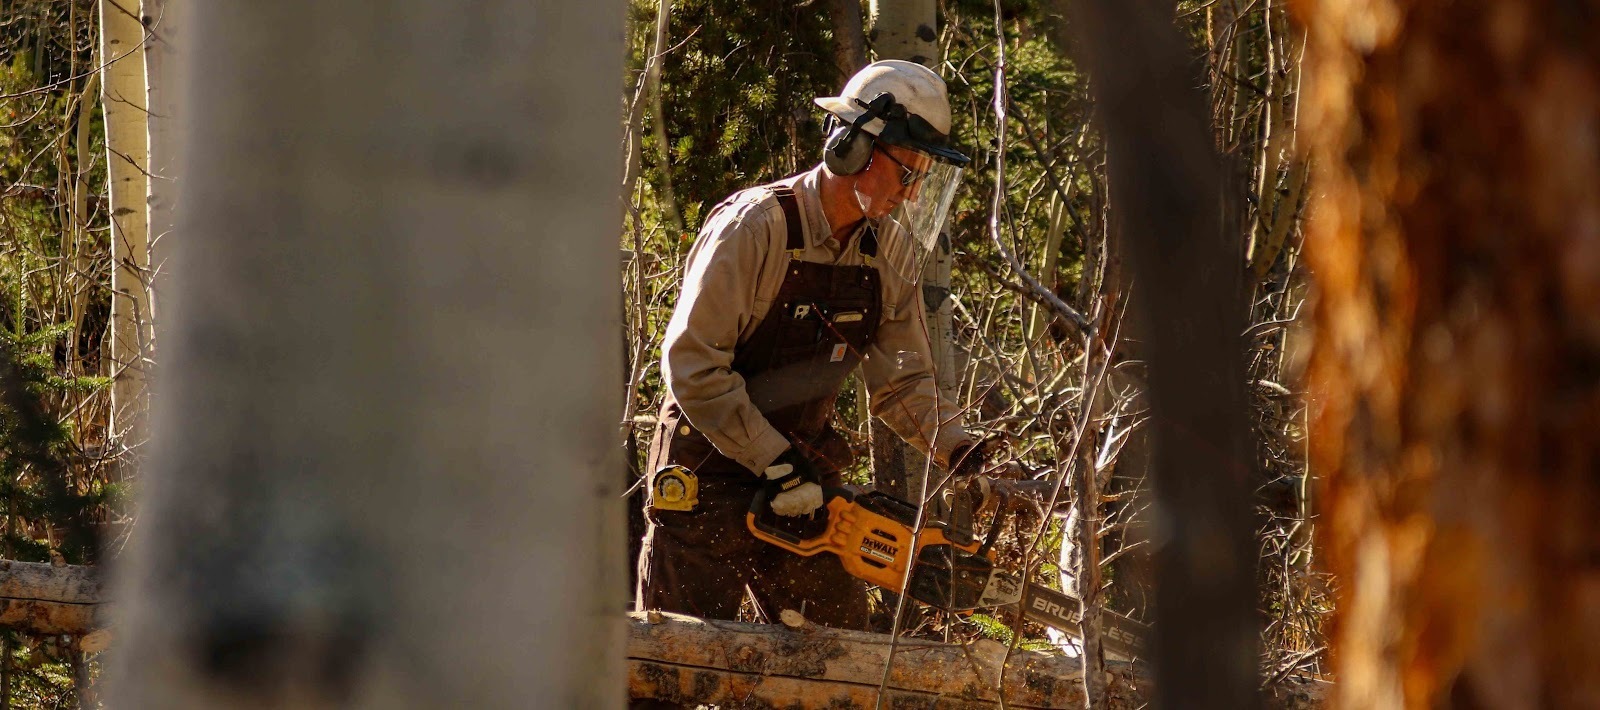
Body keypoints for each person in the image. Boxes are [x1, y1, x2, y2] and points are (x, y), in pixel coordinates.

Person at [635, 60, 1006, 630]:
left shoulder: (882, 254)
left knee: (834, 654)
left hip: (805, 477)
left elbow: (902, 380)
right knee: (678, 659)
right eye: (908, 174)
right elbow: (692, 364)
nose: (911, 197)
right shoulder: (755, 228)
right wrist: (774, 462)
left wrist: (957, 446)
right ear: (853, 146)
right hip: (706, 467)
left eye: (923, 180)